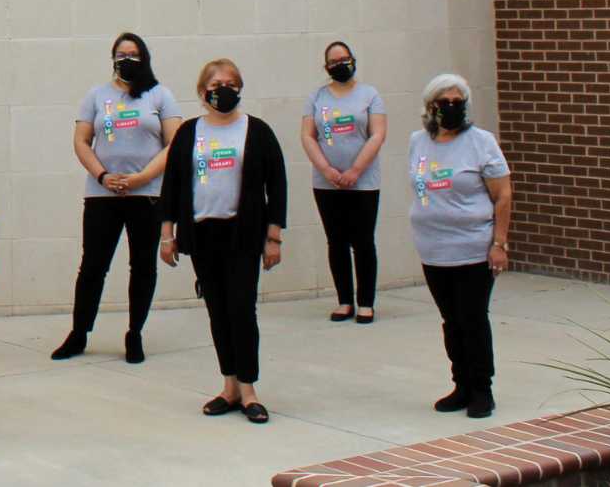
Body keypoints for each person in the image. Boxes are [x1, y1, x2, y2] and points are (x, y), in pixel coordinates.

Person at [160, 58, 287, 425]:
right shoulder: (189, 132)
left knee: (242, 309)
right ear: (203, 92)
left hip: (242, 233)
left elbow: (277, 184)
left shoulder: (257, 131)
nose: (224, 90)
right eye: (216, 85)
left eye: (231, 84)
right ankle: (229, 386)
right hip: (203, 234)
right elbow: (173, 185)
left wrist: (274, 236)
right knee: (217, 310)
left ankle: (249, 390)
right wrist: (167, 234)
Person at [53, 32, 183, 362]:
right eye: (121, 54)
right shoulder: (96, 96)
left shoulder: (160, 95)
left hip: (147, 194)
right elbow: (81, 141)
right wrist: (102, 175)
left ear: (145, 58)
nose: (127, 60)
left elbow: (175, 144)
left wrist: (142, 177)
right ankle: (79, 333)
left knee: (142, 266)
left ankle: (134, 333)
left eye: (133, 54)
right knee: (93, 266)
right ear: (112, 59)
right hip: (103, 195)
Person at [410, 73, 513, 419]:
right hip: (433, 250)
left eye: (458, 102)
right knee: (451, 320)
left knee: (472, 318)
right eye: (445, 103)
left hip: (472, 248)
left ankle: (482, 388)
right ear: (431, 107)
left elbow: (503, 195)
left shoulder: (481, 142)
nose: (452, 108)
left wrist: (499, 243)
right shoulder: (417, 142)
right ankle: (461, 384)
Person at [299, 40, 388, 322]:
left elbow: (377, 134)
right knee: (336, 241)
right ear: (326, 67)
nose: (340, 65)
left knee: (363, 241)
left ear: (353, 60)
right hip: (327, 183)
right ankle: (344, 301)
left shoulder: (370, 95)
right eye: (334, 62)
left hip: (363, 182)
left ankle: (366, 303)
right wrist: (326, 169)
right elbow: (307, 135)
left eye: (344, 59)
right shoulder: (316, 97)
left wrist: (355, 170)